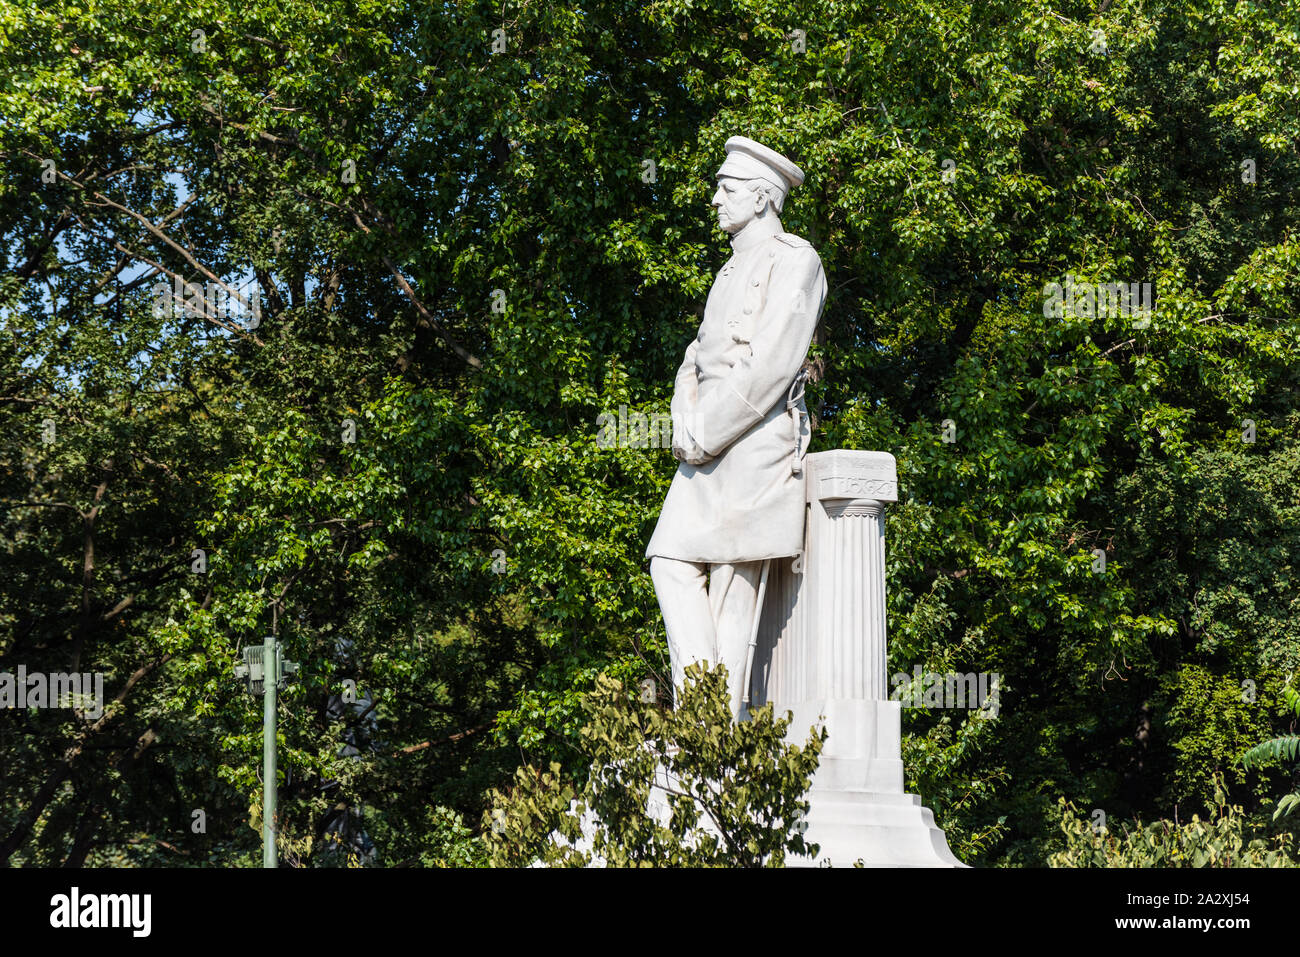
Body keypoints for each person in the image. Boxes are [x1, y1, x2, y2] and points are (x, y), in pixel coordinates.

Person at [645, 136, 827, 718]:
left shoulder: (797, 260)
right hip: (705, 448)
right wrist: (684, 417)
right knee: (669, 560)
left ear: (761, 197)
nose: (715, 200)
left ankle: (709, 738)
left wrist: (705, 432)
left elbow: (770, 365)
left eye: (727, 189)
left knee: (730, 593)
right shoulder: (727, 270)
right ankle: (703, 726)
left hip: (753, 450)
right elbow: (695, 357)